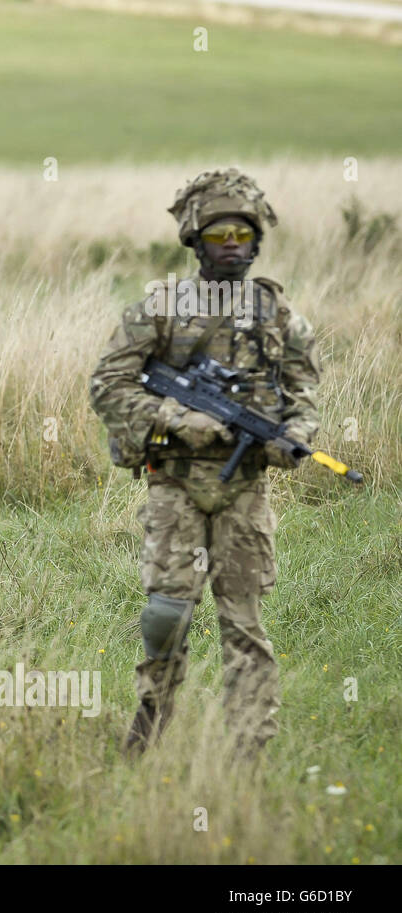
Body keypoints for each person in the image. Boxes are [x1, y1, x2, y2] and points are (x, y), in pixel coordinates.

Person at [89, 169, 322, 757]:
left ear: (257, 239)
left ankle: (250, 751)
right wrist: (175, 417)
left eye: (242, 234)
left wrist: (292, 438)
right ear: (195, 240)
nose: (232, 245)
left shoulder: (277, 315)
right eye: (218, 235)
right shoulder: (160, 309)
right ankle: (150, 727)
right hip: (176, 485)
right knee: (166, 615)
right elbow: (108, 385)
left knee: (244, 622)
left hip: (245, 489)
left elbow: (304, 397)